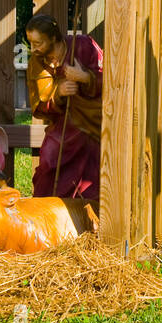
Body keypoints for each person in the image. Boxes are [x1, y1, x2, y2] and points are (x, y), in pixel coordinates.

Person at [24, 13, 102, 201]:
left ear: (53, 38)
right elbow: (39, 106)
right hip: (65, 123)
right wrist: (58, 94)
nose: (33, 49)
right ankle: (46, 209)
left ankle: (88, 211)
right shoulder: (37, 62)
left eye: (38, 43)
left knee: (93, 165)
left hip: (94, 121)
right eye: (30, 43)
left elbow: (112, 80)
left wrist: (84, 77)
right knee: (50, 159)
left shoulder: (83, 45)